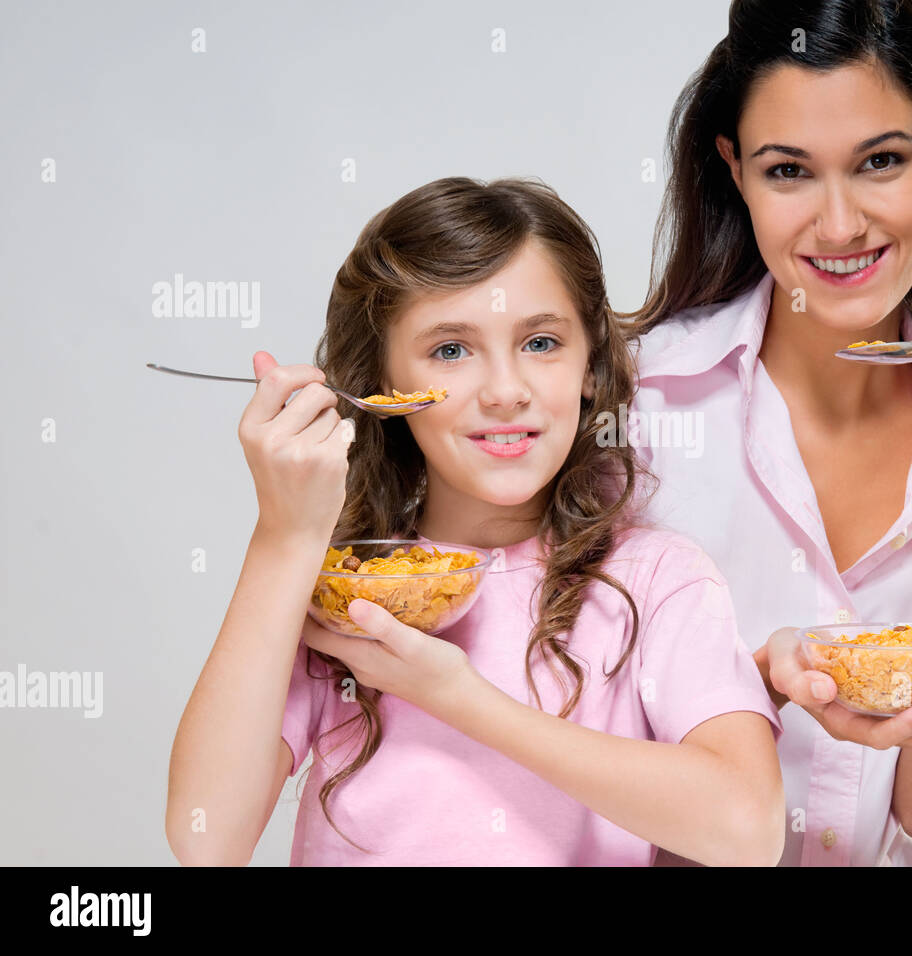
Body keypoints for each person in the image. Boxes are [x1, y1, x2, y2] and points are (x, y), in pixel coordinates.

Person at [165, 177, 785, 866]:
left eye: (542, 342)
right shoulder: (346, 593)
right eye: (451, 350)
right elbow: (205, 837)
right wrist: (282, 539)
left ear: (590, 363)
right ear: (383, 387)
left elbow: (748, 830)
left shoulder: (657, 580)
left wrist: (456, 696)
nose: (505, 391)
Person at [624, 0, 912, 866]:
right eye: (789, 171)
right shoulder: (634, 406)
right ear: (733, 169)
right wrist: (760, 683)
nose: (839, 227)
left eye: (880, 161)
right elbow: (569, 745)